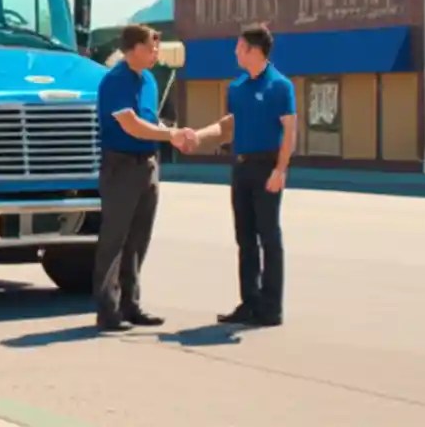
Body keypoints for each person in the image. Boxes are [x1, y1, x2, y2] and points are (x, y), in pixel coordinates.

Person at [182, 23, 296, 327]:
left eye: (239, 47)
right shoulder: (237, 87)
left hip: (266, 166)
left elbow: (290, 131)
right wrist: (198, 137)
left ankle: (271, 309)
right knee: (244, 238)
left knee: (269, 236)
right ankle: (250, 302)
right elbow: (228, 126)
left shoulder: (280, 86)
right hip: (241, 166)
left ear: (254, 50)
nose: (235, 51)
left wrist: (280, 170)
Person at [93, 24, 189, 332]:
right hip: (120, 166)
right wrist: (169, 134)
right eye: (151, 48)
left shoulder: (148, 80)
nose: (155, 54)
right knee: (115, 240)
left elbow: (148, 119)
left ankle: (130, 306)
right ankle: (107, 311)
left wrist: (169, 131)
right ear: (132, 49)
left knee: (138, 239)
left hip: (147, 164)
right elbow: (130, 125)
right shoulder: (114, 82)